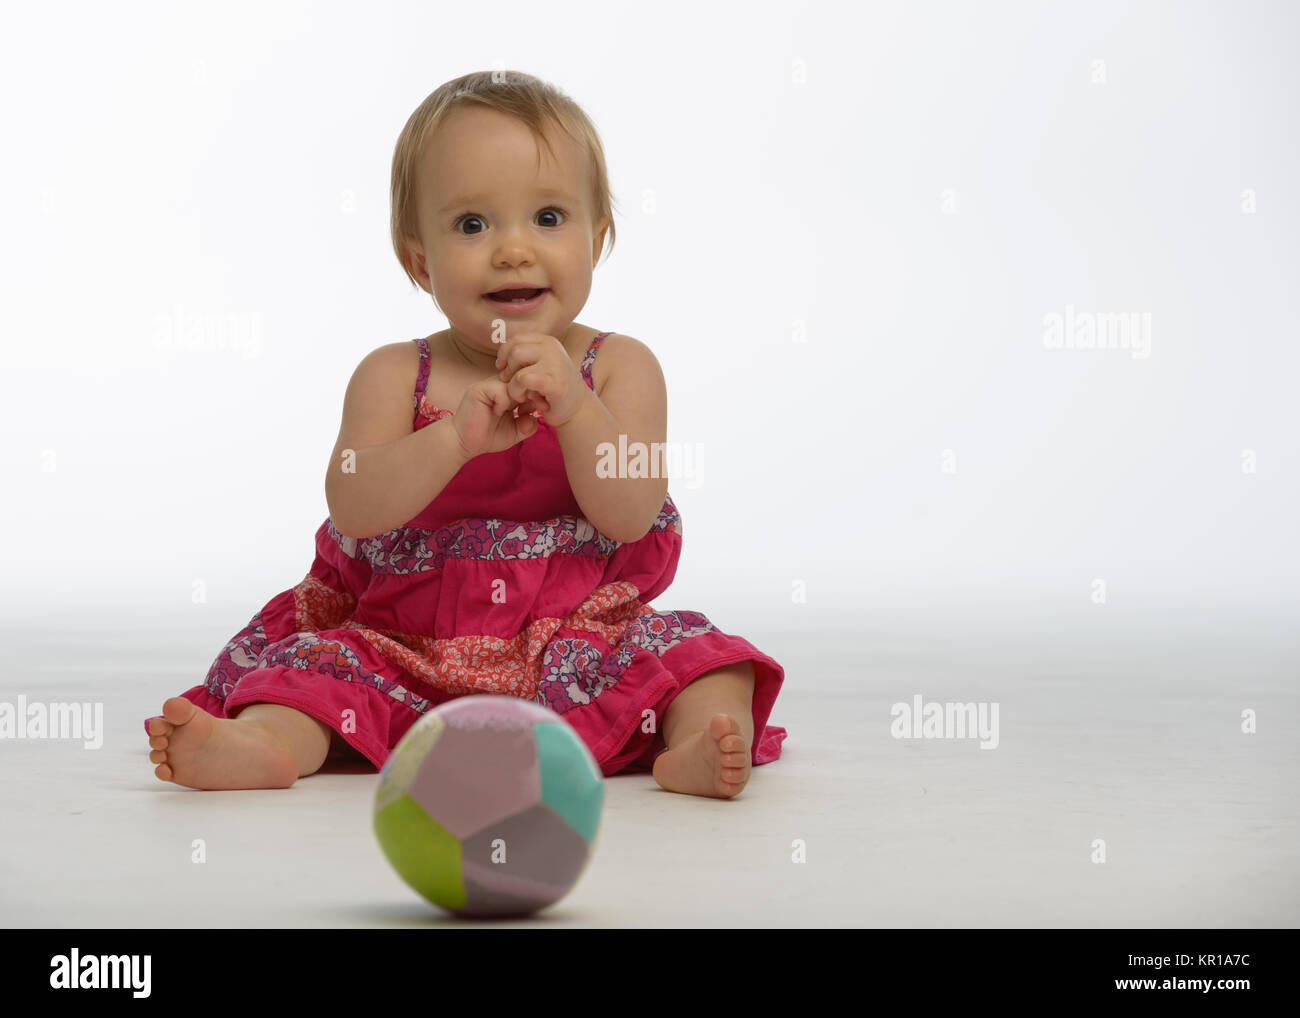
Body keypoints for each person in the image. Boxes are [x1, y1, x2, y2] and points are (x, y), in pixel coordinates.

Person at [144, 69, 788, 799]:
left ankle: (697, 745)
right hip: (403, 638)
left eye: (548, 217)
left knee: (703, 660)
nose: (513, 250)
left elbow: (632, 512)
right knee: (312, 674)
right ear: (419, 260)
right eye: (473, 225)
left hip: (573, 640)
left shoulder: (618, 367)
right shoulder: (394, 375)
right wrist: (452, 440)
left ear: (598, 237)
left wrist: (575, 409)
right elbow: (353, 504)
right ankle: (264, 746)